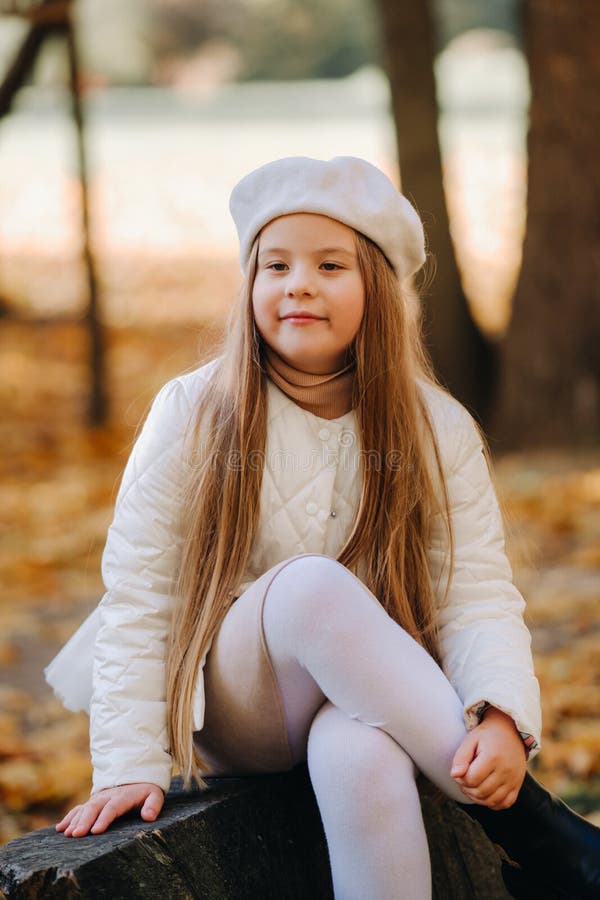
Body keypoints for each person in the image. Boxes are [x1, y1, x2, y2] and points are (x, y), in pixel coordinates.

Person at [45, 156, 599, 899]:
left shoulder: (436, 430)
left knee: (361, 753)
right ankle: (535, 831)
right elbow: (140, 596)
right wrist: (126, 763)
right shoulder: (194, 412)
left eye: (330, 264)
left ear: (380, 289)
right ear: (249, 285)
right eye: (275, 264)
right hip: (238, 704)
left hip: (368, 697)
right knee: (310, 587)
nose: (298, 283)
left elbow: (474, 593)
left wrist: (500, 716)